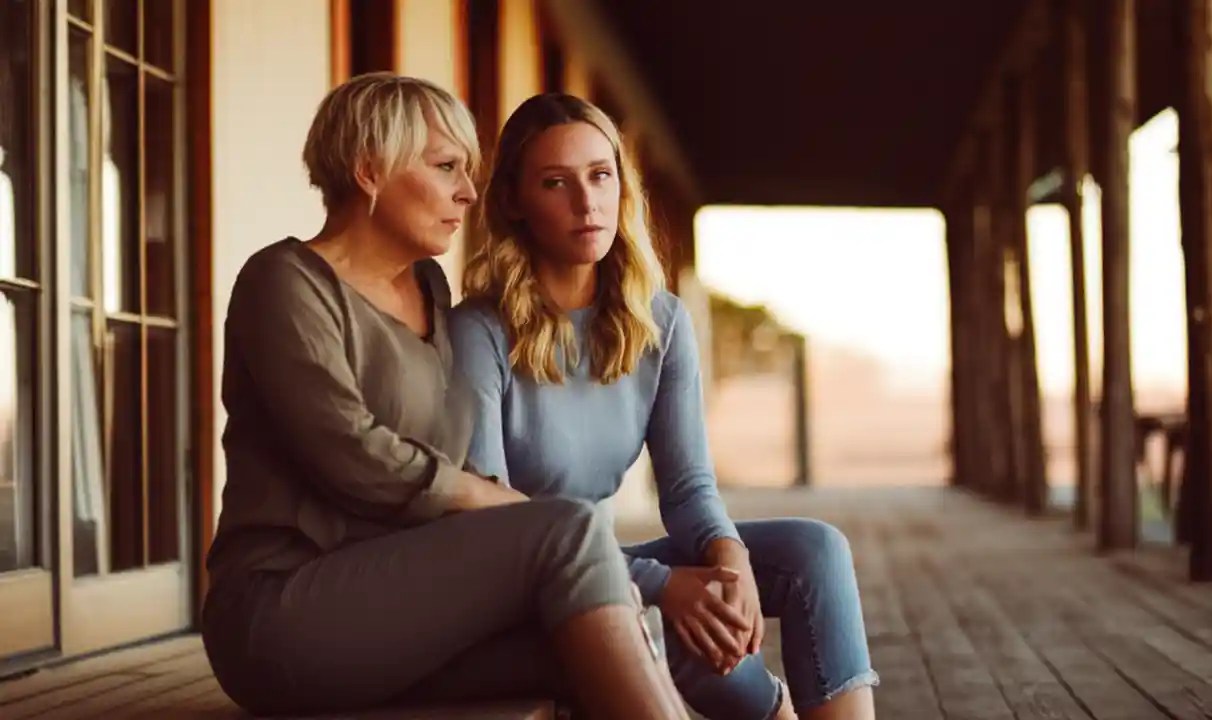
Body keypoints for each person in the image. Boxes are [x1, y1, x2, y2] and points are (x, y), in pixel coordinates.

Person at [200, 74, 688, 719]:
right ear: (369, 169)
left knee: (614, 639)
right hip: (285, 611)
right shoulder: (285, 283)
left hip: (402, 605)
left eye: (469, 169)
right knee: (567, 527)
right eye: (446, 166)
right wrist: (494, 500)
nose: (468, 190)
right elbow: (352, 454)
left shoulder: (430, 289)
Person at [450, 93, 879, 720]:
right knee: (687, 630)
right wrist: (663, 585)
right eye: (554, 182)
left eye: (601, 175)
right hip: (524, 585)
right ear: (514, 201)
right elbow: (498, 530)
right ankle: (775, 711)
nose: (586, 202)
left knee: (815, 551)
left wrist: (727, 557)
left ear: (623, 186)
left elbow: (686, 488)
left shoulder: (660, 321)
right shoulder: (479, 333)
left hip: (609, 562)